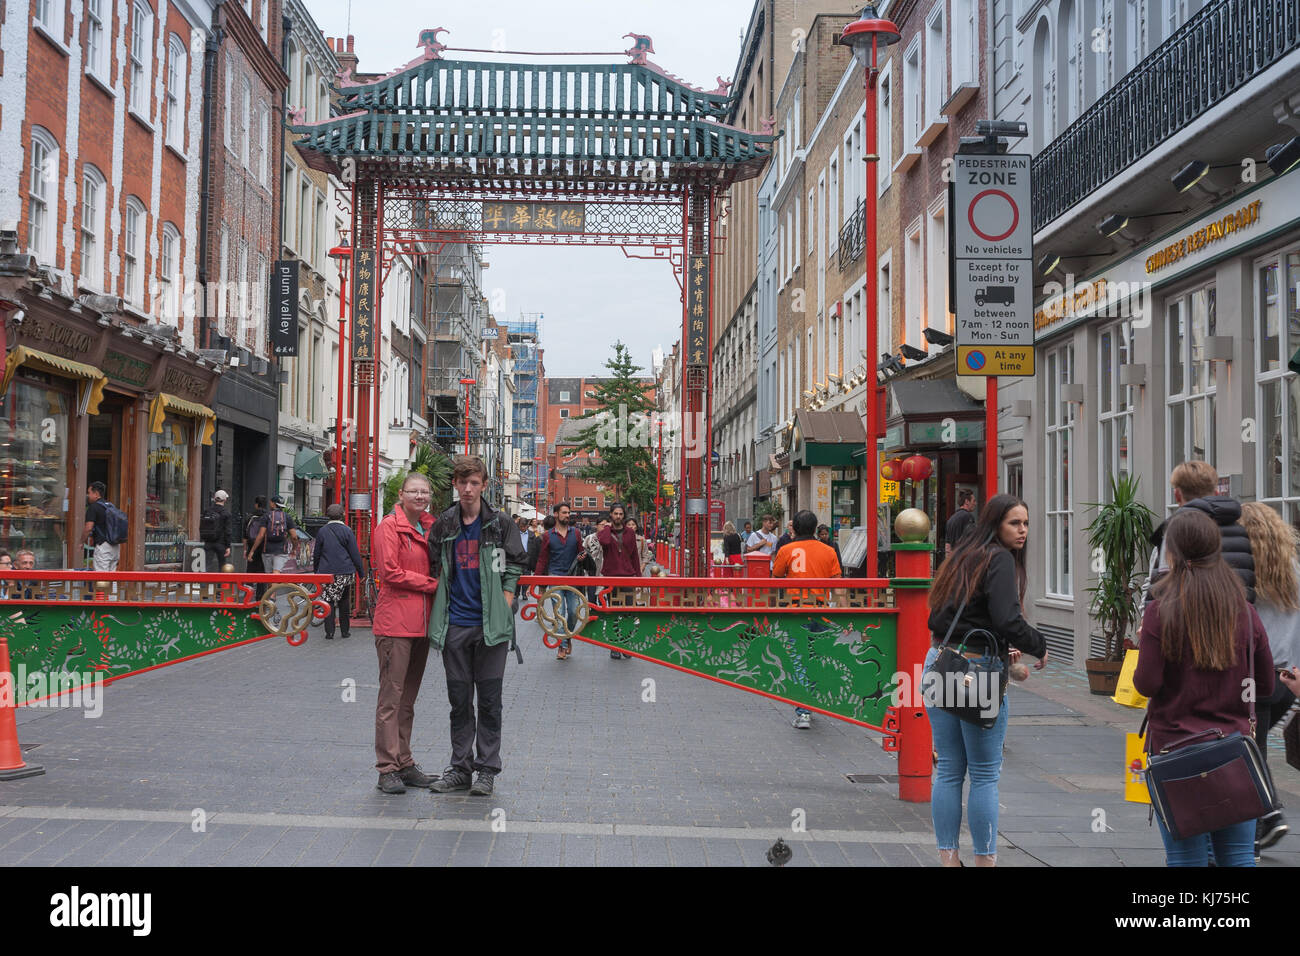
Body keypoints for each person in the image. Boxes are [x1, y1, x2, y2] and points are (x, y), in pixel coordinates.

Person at [1133, 508, 1274, 867]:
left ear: (1172, 553)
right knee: (1240, 857)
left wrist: (1144, 648)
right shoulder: (1244, 611)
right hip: (1234, 752)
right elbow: (1265, 684)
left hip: (1176, 754)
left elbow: (1147, 684)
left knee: (1185, 857)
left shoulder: (1161, 610)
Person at [925, 494, 1049, 867]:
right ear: (996, 524)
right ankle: (984, 862)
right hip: (977, 671)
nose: (1023, 530)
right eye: (1015, 523)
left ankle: (949, 859)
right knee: (982, 774)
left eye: (1026, 523)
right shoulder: (999, 560)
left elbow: (943, 616)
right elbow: (1008, 619)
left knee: (947, 768)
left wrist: (1000, 641)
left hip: (942, 663)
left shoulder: (963, 555)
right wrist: (1038, 646)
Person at [427, 456, 528, 797]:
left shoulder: (498, 524)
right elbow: (433, 566)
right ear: (455, 484)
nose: (468, 488)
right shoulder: (445, 524)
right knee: (458, 700)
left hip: (491, 628)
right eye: (462, 482)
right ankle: (460, 767)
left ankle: (486, 769)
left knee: (489, 701)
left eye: (474, 482)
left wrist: (507, 599)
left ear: (484, 485)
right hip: (455, 625)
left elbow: (514, 563)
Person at [371, 473, 439, 795]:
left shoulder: (429, 527)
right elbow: (390, 571)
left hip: (420, 625)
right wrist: (431, 585)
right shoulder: (389, 526)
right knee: (391, 698)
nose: (419, 495)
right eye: (413, 491)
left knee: (407, 699)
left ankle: (404, 762)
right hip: (395, 624)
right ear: (401, 494)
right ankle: (387, 768)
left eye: (424, 491)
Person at [1239, 502, 1298, 853]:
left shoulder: (1248, 572)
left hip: (1257, 677)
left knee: (1250, 751)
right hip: (1288, 679)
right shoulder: (1292, 568)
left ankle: (1268, 818)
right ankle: (1259, 828)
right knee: (1252, 750)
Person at [1142, 461, 1255, 610]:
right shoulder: (1240, 530)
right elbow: (1247, 586)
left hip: (1189, 624)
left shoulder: (1174, 531)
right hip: (1234, 623)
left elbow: (1161, 589)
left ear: (1177, 495)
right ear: (1216, 493)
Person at [773, 510, 842, 730]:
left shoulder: (786, 550)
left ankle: (804, 710)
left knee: (798, 658)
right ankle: (815, 701)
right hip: (821, 610)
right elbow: (837, 584)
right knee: (818, 656)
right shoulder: (828, 551)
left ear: (795, 528)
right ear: (814, 529)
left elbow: (776, 577)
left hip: (796, 611)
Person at [535, 502, 584, 660]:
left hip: (573, 578)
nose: (567, 515)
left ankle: (567, 637)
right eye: (564, 512)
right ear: (556, 514)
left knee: (573, 612)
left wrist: (583, 556)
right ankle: (562, 646)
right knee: (559, 612)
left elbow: (581, 553)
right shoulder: (548, 535)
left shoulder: (576, 533)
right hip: (555, 577)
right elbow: (542, 559)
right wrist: (535, 580)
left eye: (568, 512)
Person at [312, 503, 365, 640]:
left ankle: (329, 632)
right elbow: (355, 554)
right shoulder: (347, 530)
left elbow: (316, 554)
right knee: (344, 601)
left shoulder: (322, 531)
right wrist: (361, 572)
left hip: (327, 573)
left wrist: (316, 571)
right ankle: (345, 631)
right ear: (342, 515)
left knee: (328, 600)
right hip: (345, 572)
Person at [599, 505, 641, 660]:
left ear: (624, 516)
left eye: (620, 514)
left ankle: (626, 643)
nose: (618, 516)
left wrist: (639, 578)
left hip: (628, 576)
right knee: (613, 612)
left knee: (628, 612)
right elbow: (603, 542)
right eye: (615, 514)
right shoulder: (605, 532)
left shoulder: (630, 532)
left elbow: (635, 556)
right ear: (611, 515)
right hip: (611, 576)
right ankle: (614, 645)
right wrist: (608, 528)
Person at [249, 495, 303, 573]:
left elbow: (261, 535)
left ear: (273, 504)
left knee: (269, 576)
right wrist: (294, 549)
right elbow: (294, 536)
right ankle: (276, 584)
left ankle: (272, 585)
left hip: (267, 550)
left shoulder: (266, 516)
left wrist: (252, 551)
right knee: (276, 573)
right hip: (281, 550)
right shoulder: (287, 517)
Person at [83, 481, 120, 572]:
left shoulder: (94, 507)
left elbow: (88, 527)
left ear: (96, 494)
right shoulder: (111, 506)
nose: (88, 495)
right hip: (115, 547)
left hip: (103, 547)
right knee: (112, 577)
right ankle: (113, 587)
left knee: (101, 580)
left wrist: (82, 541)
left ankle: (103, 587)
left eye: (89, 493)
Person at [199, 490, 233, 573]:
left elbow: (201, 526)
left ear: (214, 499)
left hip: (208, 542)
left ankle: (204, 585)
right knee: (222, 565)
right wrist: (228, 546)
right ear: (225, 500)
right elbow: (228, 531)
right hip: (221, 543)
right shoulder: (226, 513)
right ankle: (220, 585)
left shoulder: (207, 511)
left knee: (207, 565)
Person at [243, 496, 269, 599]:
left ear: (256, 504)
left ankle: (248, 595)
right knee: (262, 572)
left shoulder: (250, 517)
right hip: (264, 548)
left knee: (250, 572)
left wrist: (245, 549)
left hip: (251, 547)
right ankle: (260, 596)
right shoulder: (267, 516)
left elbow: (244, 535)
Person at [945, 490, 977, 556]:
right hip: (964, 558)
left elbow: (948, 545)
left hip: (954, 559)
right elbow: (971, 539)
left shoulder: (951, 519)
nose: (975, 503)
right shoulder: (968, 517)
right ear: (966, 502)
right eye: (974, 501)